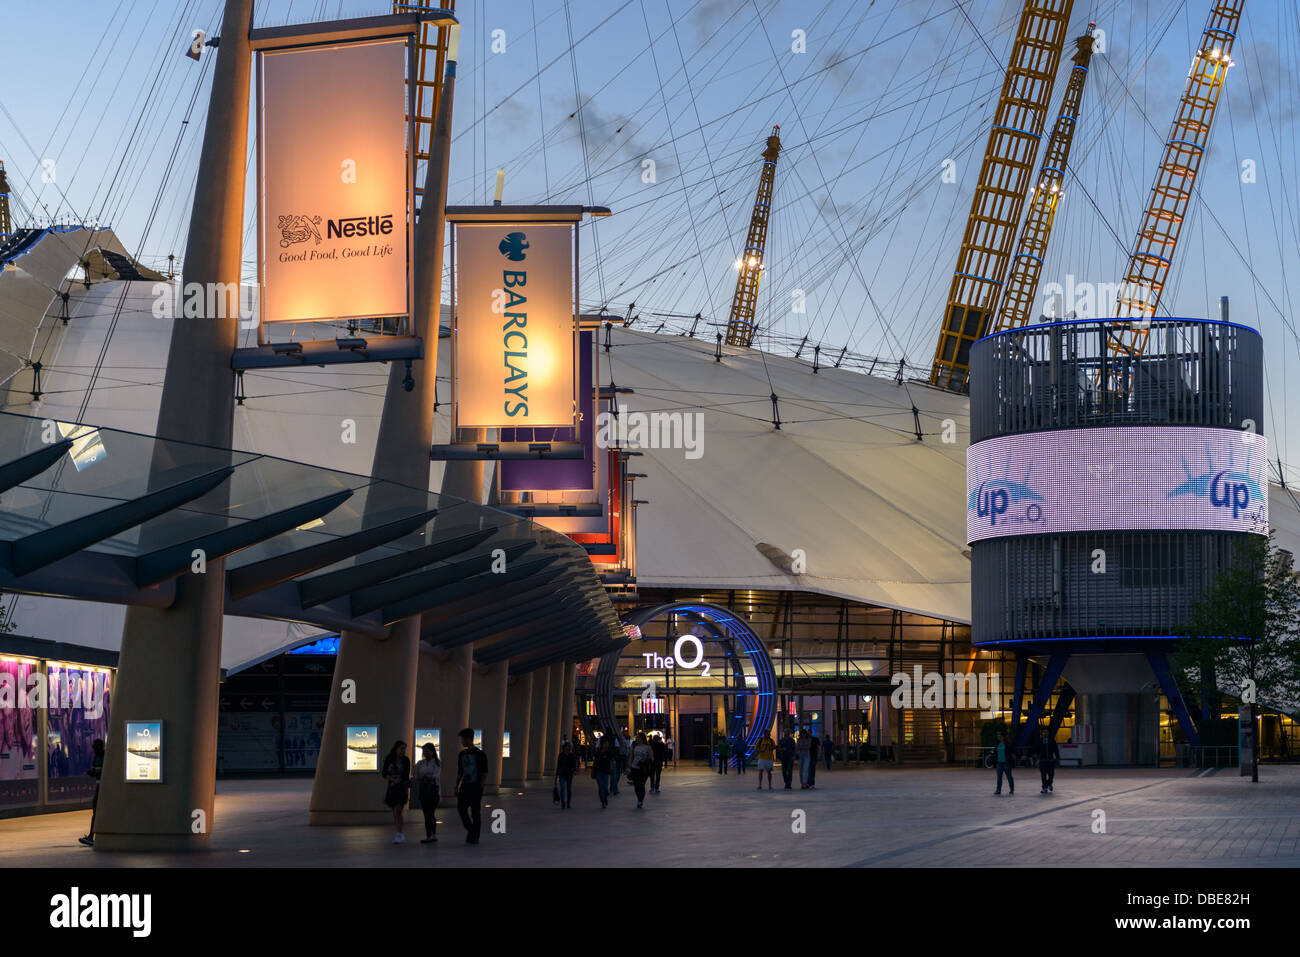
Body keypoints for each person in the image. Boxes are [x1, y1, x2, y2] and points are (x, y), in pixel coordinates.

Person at [455, 727, 488, 844]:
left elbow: (484, 772)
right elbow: (460, 771)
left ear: (468, 739)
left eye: (462, 739)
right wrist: (456, 785)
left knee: (475, 812)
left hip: (475, 786)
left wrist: (480, 786)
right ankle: (472, 830)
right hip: (465, 786)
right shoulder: (462, 754)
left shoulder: (480, 754)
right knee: (461, 808)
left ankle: (474, 836)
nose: (461, 742)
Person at [381, 740, 411, 844]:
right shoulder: (390, 759)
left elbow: (406, 774)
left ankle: (399, 833)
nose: (403, 751)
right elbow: (384, 773)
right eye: (401, 748)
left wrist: (400, 781)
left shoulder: (406, 760)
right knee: (395, 812)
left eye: (404, 749)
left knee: (398, 810)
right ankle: (399, 833)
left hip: (401, 788)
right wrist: (392, 779)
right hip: (392, 788)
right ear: (396, 749)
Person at [77, 739, 105, 848]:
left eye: (95, 747)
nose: (93, 749)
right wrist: (91, 773)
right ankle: (92, 835)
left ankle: (91, 836)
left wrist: (93, 773)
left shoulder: (104, 756)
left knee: (97, 809)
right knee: (95, 809)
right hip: (99, 784)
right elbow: (96, 772)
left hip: (104, 786)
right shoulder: (96, 758)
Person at [412, 742, 441, 844]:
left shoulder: (437, 763)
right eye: (424, 751)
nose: (425, 753)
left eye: (427, 751)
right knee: (426, 813)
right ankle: (429, 835)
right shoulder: (420, 763)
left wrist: (425, 776)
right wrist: (424, 777)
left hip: (433, 790)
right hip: (424, 790)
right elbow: (415, 775)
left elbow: (435, 775)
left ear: (432, 751)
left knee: (431, 812)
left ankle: (432, 835)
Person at [629, 732, 653, 808]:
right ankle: (639, 798)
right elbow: (631, 756)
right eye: (636, 737)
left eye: (638, 737)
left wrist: (645, 760)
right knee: (636, 785)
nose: (637, 739)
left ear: (642, 738)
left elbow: (652, 757)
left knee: (641, 784)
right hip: (635, 768)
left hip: (643, 769)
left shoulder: (647, 747)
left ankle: (640, 800)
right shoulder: (634, 747)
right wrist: (629, 765)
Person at [593, 735, 614, 808]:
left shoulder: (609, 752)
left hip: (606, 772)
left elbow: (612, 760)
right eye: (605, 743)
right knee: (600, 787)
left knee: (605, 787)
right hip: (599, 771)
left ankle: (604, 798)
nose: (606, 745)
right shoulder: (598, 751)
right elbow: (595, 760)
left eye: (607, 743)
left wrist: (611, 766)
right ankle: (602, 801)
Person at [556, 741, 577, 809]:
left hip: (569, 774)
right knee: (562, 789)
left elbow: (574, 765)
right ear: (564, 747)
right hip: (562, 774)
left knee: (569, 789)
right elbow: (558, 765)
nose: (568, 748)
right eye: (567, 746)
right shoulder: (561, 755)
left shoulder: (572, 755)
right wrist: (557, 775)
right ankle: (563, 802)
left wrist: (573, 770)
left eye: (569, 746)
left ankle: (568, 802)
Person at [1037, 729, 1060, 794]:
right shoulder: (1040, 741)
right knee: (1043, 775)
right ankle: (1044, 788)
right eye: (1043, 732)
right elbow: (1036, 749)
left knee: (1051, 775)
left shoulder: (1052, 740)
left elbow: (1056, 749)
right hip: (1042, 761)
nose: (1045, 733)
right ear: (1042, 733)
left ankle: (1049, 783)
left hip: (1050, 761)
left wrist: (1057, 758)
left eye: (1046, 732)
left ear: (1048, 733)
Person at [993, 730, 1015, 796]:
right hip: (999, 763)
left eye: (999, 736)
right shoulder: (997, 744)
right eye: (998, 736)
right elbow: (995, 753)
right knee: (999, 777)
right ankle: (998, 790)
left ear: (1003, 737)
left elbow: (1011, 752)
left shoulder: (1007, 744)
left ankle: (1011, 789)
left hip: (1006, 763)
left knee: (1009, 777)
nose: (998, 737)